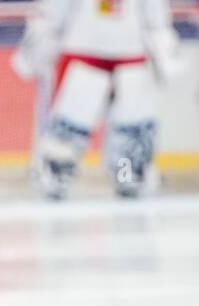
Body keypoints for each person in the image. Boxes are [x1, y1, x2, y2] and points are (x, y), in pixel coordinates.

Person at [12, 0, 179, 199]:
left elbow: (156, 17)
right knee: (70, 125)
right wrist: (39, 48)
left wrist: (164, 52)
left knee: (131, 126)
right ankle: (55, 172)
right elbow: (53, 14)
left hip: (129, 53)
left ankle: (128, 174)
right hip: (83, 51)